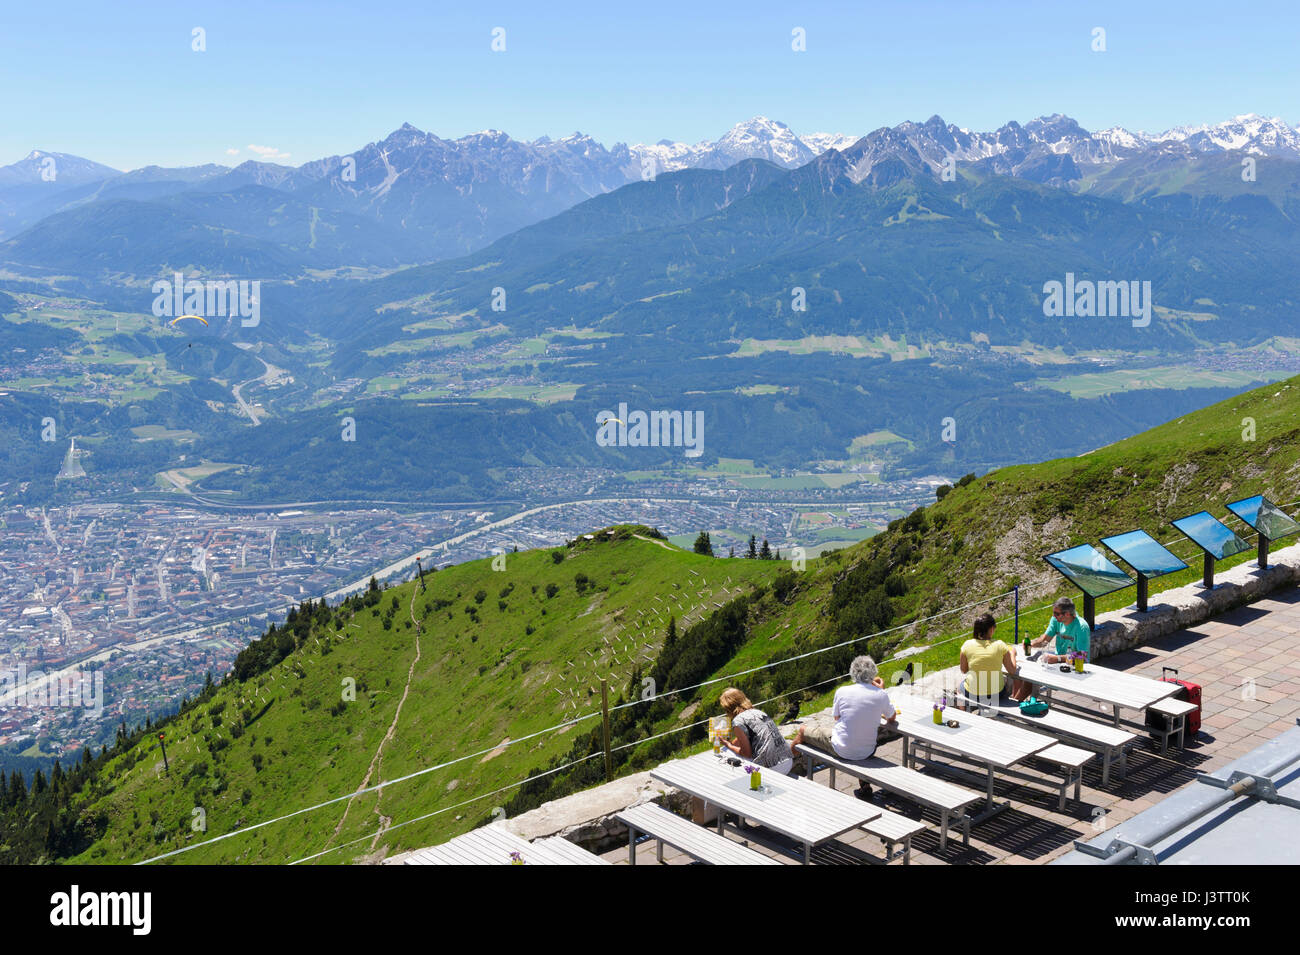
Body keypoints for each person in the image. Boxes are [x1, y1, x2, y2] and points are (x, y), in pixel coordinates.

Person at [788, 655, 899, 799]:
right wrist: (881, 691)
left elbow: (836, 718)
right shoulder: (881, 694)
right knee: (860, 737)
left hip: (840, 748)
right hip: (867, 751)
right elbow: (892, 717)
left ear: (853, 672)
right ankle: (864, 786)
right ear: (873, 674)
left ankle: (787, 764)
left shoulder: (842, 691)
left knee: (802, 730)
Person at [718, 688, 793, 775]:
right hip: (788, 762)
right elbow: (754, 736)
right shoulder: (759, 712)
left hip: (772, 769)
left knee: (728, 755)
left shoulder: (737, 721)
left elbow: (746, 754)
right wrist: (732, 743)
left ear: (729, 708)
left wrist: (728, 745)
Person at [960, 611, 1019, 707]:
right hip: (995, 694)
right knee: (1005, 685)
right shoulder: (1000, 645)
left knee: (961, 687)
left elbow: (963, 670)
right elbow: (1012, 671)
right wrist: (1012, 653)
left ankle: (963, 716)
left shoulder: (967, 645)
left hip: (973, 693)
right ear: (991, 629)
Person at [1030, 597, 1091, 664]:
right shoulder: (1056, 619)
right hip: (1060, 661)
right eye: (1053, 612)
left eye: (1057, 614)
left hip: (1077, 665)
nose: (1054, 615)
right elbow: (1045, 640)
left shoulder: (1082, 627)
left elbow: (1082, 655)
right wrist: (1031, 644)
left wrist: (1057, 658)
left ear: (1067, 614)